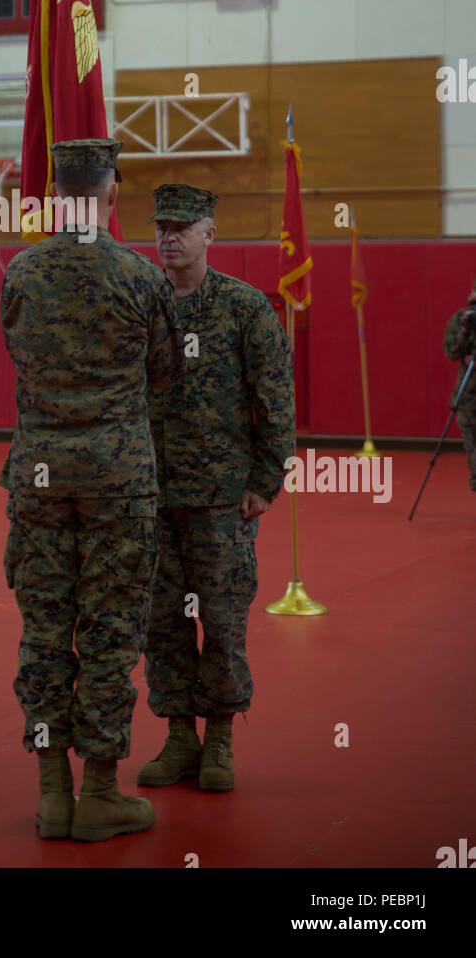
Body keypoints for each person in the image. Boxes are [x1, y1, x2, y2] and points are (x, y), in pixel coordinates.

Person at [0, 139, 185, 842]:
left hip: (40, 474)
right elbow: (166, 372)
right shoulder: (141, 277)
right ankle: (101, 792)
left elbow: (19, 357)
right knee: (110, 632)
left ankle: (52, 792)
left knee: (45, 629)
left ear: (55, 197)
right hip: (117, 476)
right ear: (112, 197)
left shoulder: (21, 272)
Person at [139, 183, 294, 793]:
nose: (169, 238)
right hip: (152, 495)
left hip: (222, 497)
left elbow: (275, 398)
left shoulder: (243, 306)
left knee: (223, 620)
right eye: (161, 227)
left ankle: (221, 739)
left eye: (183, 227)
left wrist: (266, 480)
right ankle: (180, 737)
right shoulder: (142, 303)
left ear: (210, 234)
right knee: (162, 622)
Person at [442, 280, 476, 491]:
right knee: (473, 448)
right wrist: (464, 330)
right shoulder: (461, 319)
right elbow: (451, 352)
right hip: (468, 397)